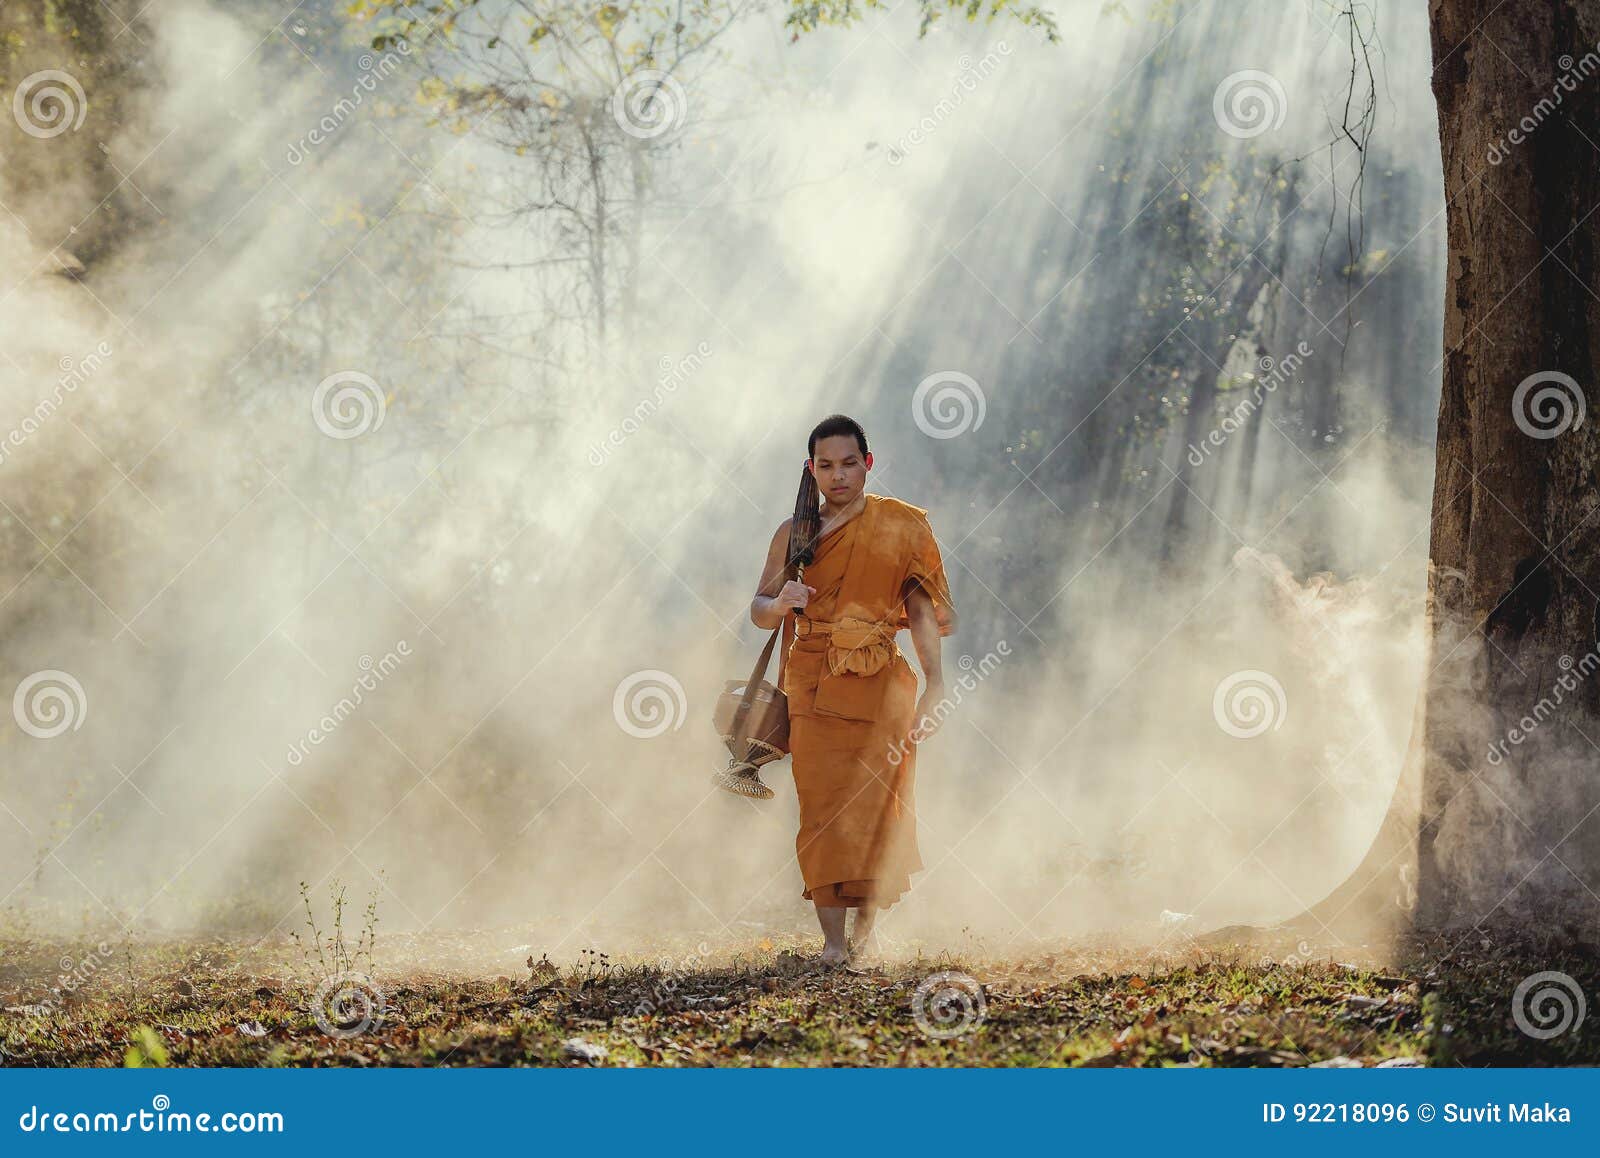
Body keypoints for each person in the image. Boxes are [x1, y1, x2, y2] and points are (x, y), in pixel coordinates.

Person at [748, 414, 957, 964]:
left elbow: (920, 610)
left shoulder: (902, 525)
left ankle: (864, 938)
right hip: (813, 682)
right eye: (825, 466)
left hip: (881, 684)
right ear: (811, 469)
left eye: (848, 464)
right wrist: (781, 602)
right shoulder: (795, 533)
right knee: (821, 809)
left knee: (875, 808)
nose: (837, 475)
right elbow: (759, 609)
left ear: (867, 464)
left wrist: (935, 682)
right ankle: (833, 944)